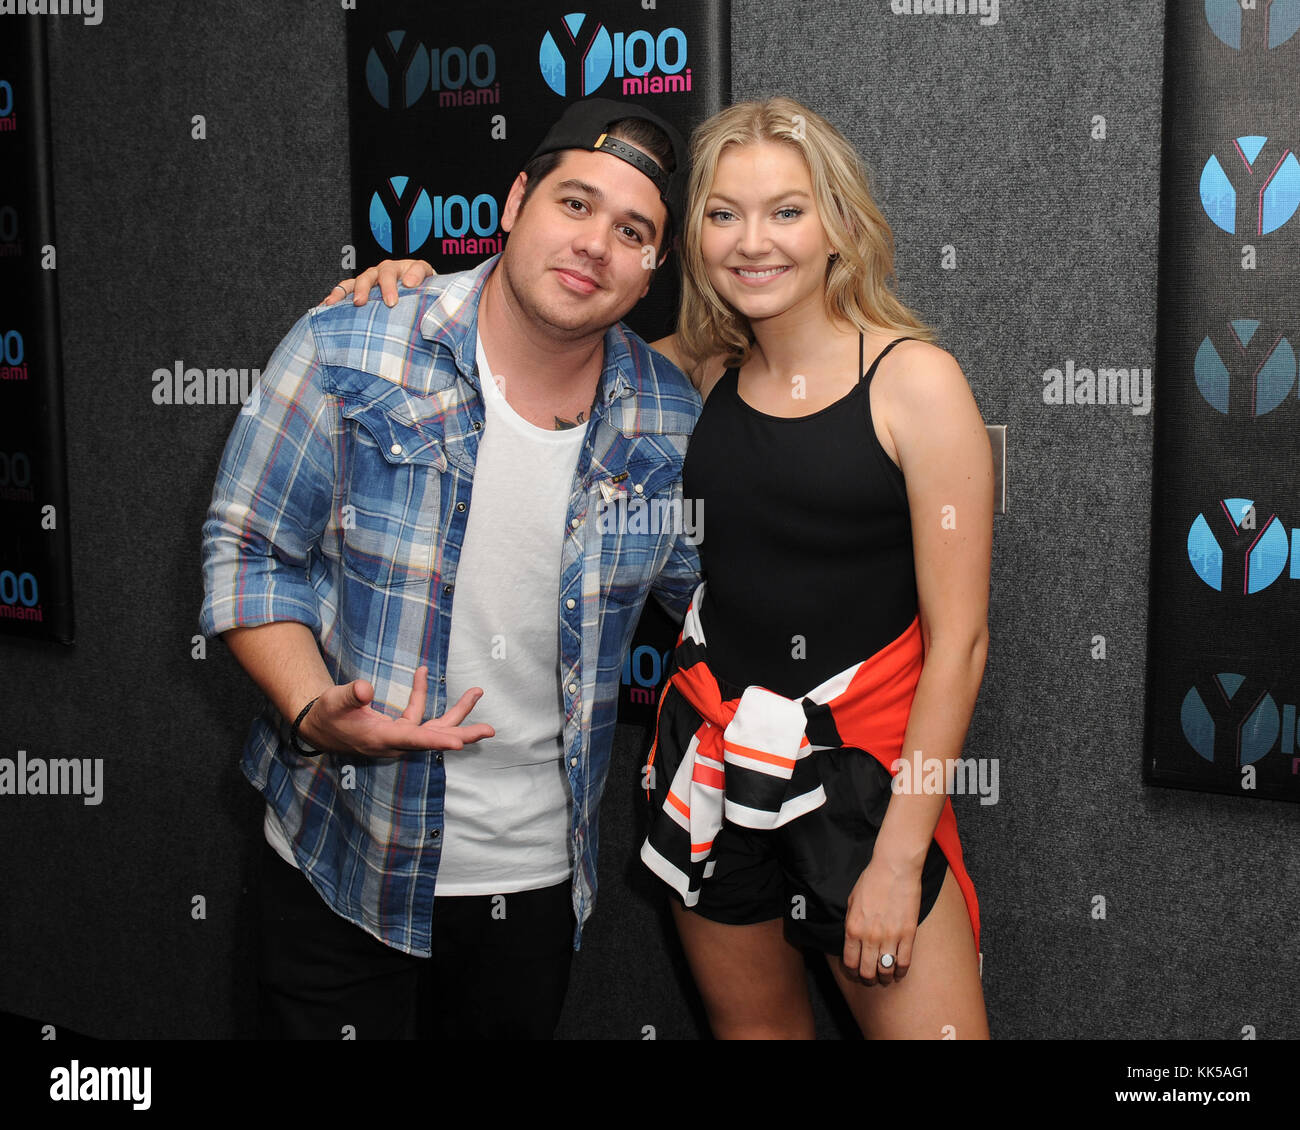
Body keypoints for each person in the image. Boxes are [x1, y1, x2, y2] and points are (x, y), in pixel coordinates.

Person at [336, 96, 992, 1041]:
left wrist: (898, 856)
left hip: (869, 785)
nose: (751, 241)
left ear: (839, 225)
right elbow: (544, 332)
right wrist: (410, 289)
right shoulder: (697, 372)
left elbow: (961, 644)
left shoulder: (916, 382)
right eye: (723, 214)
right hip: (712, 769)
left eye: (786, 211)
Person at [199, 97, 702, 1040]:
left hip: (536, 889)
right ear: (516, 202)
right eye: (575, 204)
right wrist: (316, 711)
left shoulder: (668, 421)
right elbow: (248, 549)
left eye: (632, 230)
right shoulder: (353, 343)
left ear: (652, 270)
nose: (595, 243)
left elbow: (722, 603)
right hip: (342, 858)